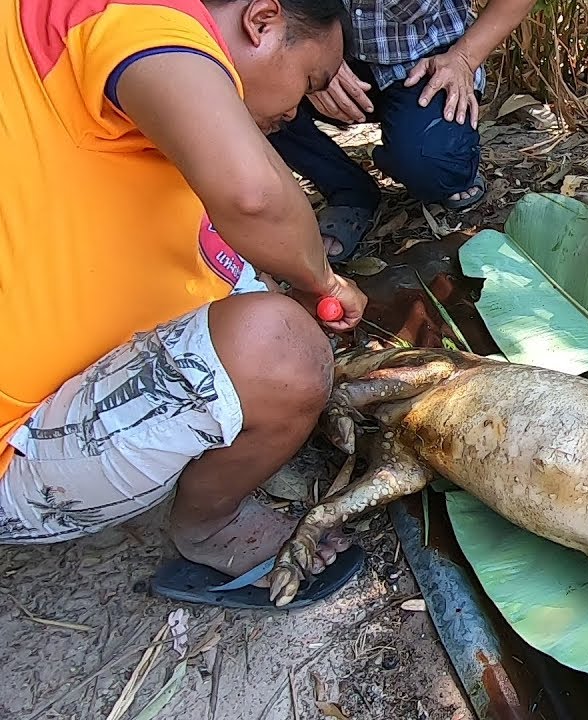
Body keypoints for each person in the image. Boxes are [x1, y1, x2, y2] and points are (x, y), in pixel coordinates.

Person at [0, 0, 370, 606]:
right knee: (284, 350)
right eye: (309, 82)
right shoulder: (131, 15)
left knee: (264, 307)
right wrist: (324, 281)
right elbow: (253, 198)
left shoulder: (143, 106)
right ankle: (208, 526)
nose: (297, 110)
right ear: (262, 20)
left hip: (49, 399)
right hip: (15, 449)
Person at [266, 0, 537, 261]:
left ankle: (433, 158)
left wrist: (464, 58)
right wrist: (315, 59)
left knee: (434, 168)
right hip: (319, 49)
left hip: (424, 58)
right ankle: (348, 190)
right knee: (248, 93)